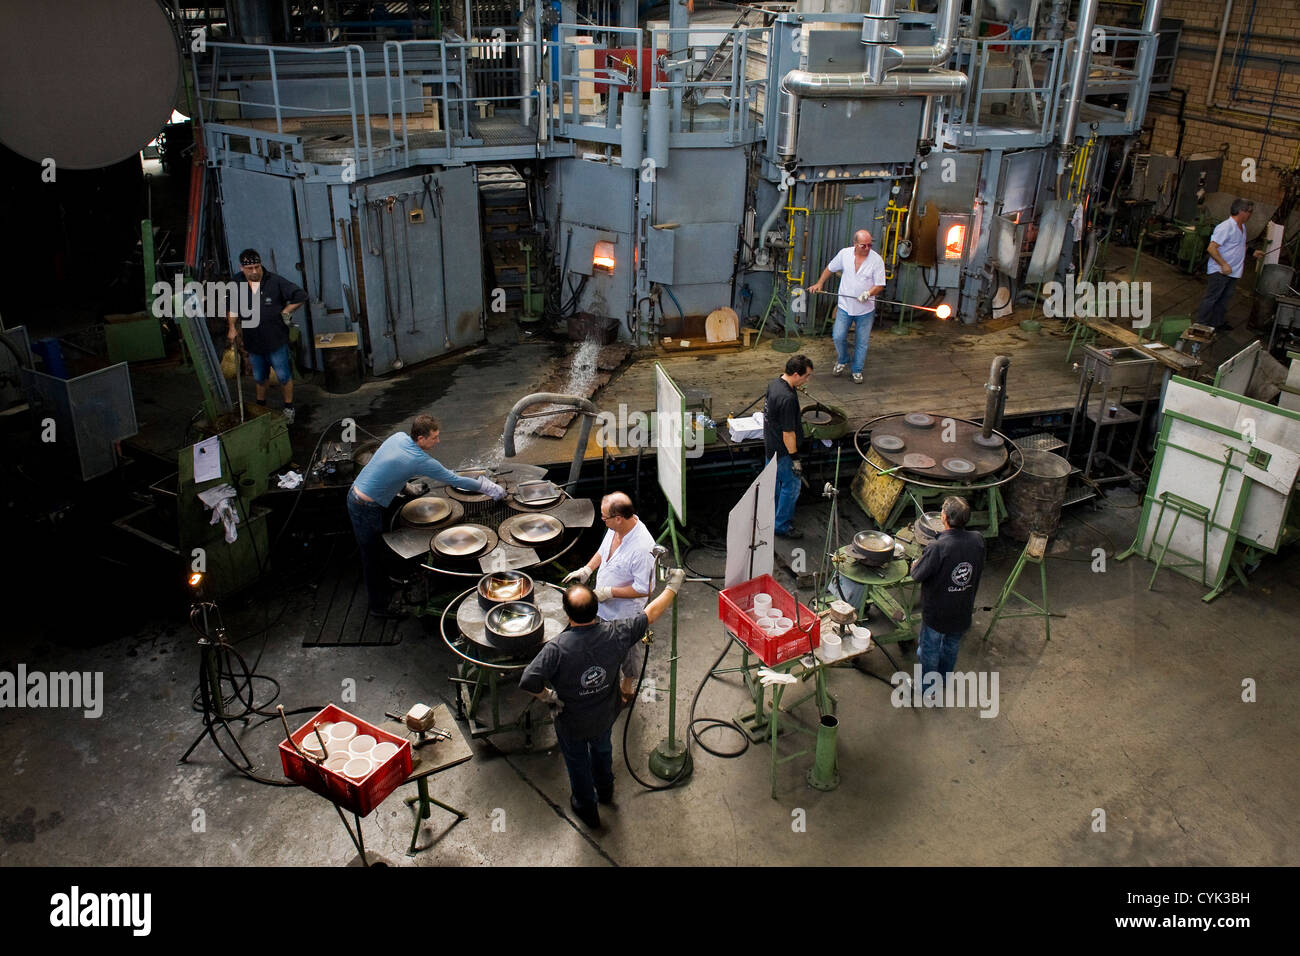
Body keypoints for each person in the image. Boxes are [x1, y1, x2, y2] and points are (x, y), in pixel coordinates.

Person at [520, 570, 685, 828]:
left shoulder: (557, 649)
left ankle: (587, 808)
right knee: (602, 749)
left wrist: (548, 696)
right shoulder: (616, 633)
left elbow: (528, 679)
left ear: (567, 615)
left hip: (571, 722)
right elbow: (651, 613)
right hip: (605, 715)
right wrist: (673, 586)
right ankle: (606, 790)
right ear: (597, 607)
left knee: (577, 764)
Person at [348, 415, 506, 619]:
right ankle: (379, 607)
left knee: (378, 549)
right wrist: (486, 486)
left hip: (357, 493)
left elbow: (388, 464)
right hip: (365, 506)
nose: (438, 441)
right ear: (421, 439)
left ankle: (390, 582)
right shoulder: (419, 460)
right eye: (434, 437)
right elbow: (453, 479)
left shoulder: (398, 438)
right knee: (372, 558)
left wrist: (407, 488)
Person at [561, 492, 657, 705]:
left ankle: (628, 685)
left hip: (625, 614)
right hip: (603, 608)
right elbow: (603, 551)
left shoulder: (642, 548)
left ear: (618, 518)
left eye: (604, 518)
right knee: (603, 645)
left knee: (629, 651)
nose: (602, 521)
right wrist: (587, 569)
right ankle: (607, 678)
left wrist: (610, 592)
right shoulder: (615, 529)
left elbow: (646, 588)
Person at [908, 496, 986, 698]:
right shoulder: (977, 540)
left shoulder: (937, 547)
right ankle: (943, 680)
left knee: (930, 650)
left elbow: (917, 575)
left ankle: (927, 690)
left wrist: (916, 563)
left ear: (943, 516)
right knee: (951, 646)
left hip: (937, 613)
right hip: (962, 609)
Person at [226, 249, 308, 423]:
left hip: (276, 340)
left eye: (257, 267)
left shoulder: (275, 281)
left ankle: (288, 409)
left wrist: (286, 310)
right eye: (250, 268)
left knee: (284, 376)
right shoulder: (236, 283)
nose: (255, 271)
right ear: (242, 268)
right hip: (253, 341)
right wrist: (232, 327)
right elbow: (232, 308)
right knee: (259, 377)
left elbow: (301, 295)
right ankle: (261, 408)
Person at [807, 229, 886, 383]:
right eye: (864, 245)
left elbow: (880, 285)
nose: (868, 248)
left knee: (862, 342)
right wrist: (819, 283)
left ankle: (857, 370)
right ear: (855, 244)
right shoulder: (844, 254)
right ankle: (843, 359)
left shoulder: (876, 260)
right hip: (845, 306)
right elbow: (830, 268)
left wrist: (868, 293)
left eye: (870, 245)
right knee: (838, 336)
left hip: (865, 309)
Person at [763, 354, 813, 540]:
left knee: (775, 485)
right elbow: (788, 433)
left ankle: (772, 516)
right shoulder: (788, 399)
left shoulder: (774, 384)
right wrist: (795, 459)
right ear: (795, 374)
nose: (808, 379)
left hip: (770, 445)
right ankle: (782, 526)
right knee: (791, 487)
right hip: (784, 451)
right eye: (806, 376)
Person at [1195, 199, 1264, 331]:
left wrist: (1253, 252)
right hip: (1220, 271)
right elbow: (1211, 248)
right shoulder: (1226, 227)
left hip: (1233, 271)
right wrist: (1224, 264)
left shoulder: (1242, 227)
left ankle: (1217, 322)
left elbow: (1239, 244)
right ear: (1241, 211)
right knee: (1212, 298)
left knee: (1224, 299)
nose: (1251, 215)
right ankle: (1200, 324)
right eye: (1250, 212)